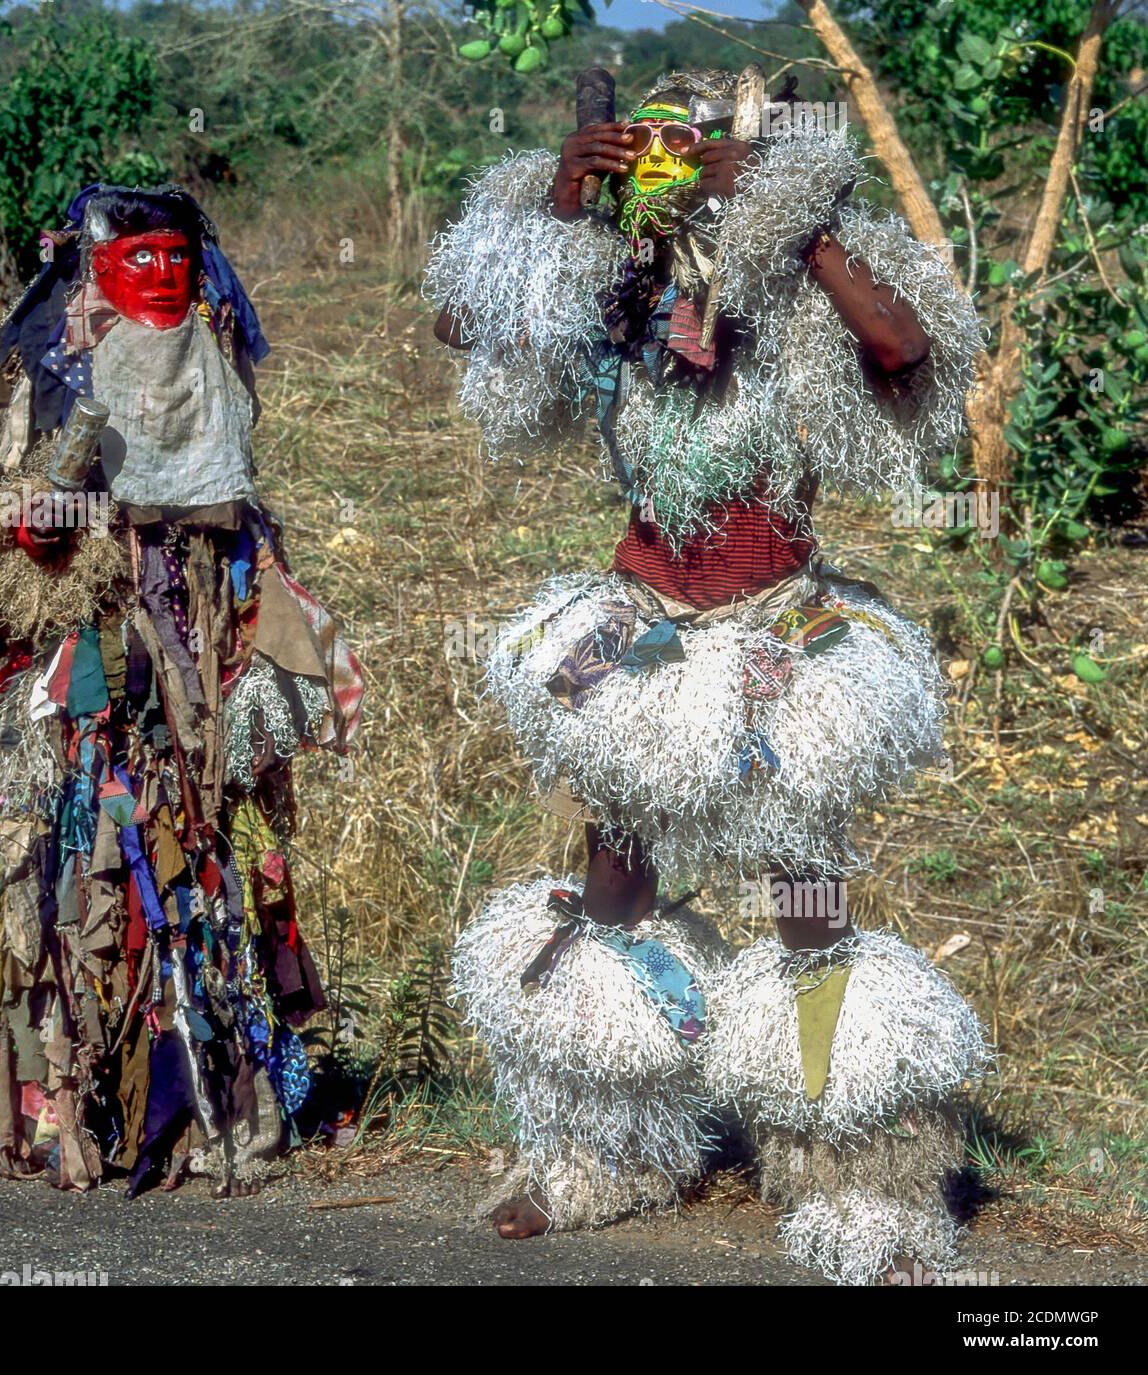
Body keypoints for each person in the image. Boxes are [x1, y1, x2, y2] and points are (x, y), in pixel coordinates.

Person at [427, 69, 990, 1283]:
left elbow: (903, 350)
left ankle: (860, 1193)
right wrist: (566, 197)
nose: (682, 177)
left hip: (781, 648)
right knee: (613, 891)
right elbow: (464, 328)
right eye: (662, 155)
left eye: (703, 157)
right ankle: (599, 1153)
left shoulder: (796, 301)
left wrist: (790, 211)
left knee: (806, 910)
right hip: (637, 641)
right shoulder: (620, 292)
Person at [0, 184, 363, 1198]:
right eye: (138, 259)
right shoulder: (62, 358)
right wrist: (46, 531)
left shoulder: (213, 349)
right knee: (95, 851)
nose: (163, 276)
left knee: (200, 847)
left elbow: (240, 502)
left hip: (200, 628)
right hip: (102, 635)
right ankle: (84, 1099)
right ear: (95, 271)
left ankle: (206, 1102)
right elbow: (25, 523)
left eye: (178, 258)